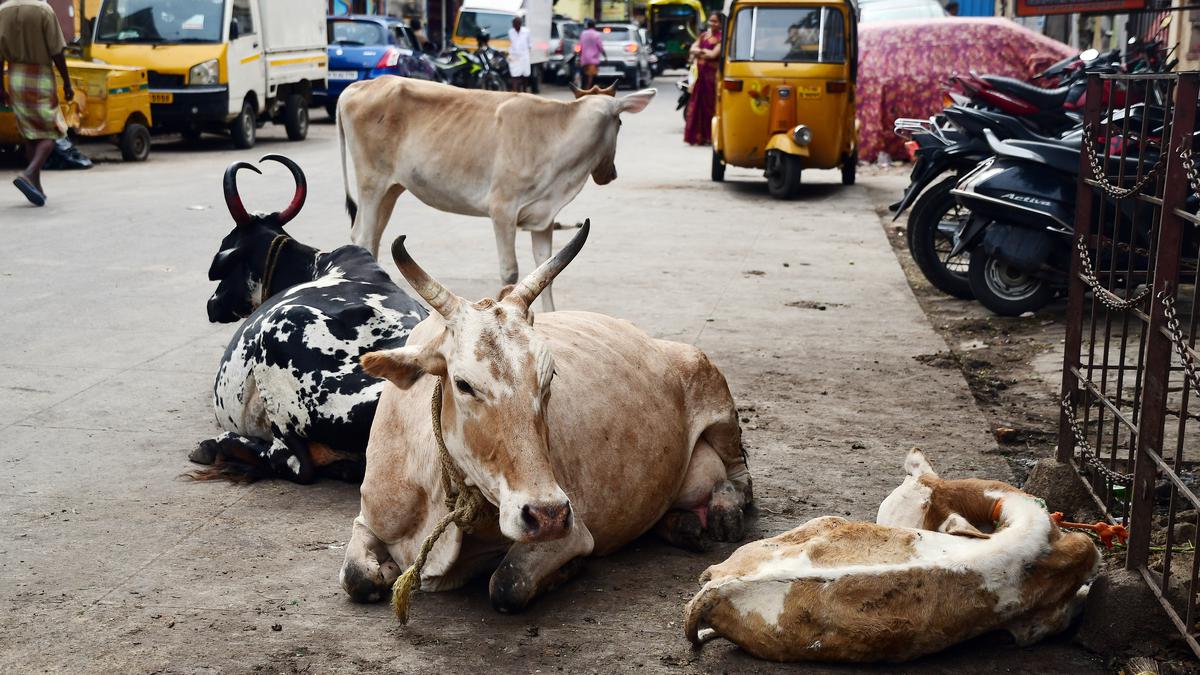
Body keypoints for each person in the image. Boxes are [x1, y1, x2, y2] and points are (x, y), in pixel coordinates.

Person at [0, 0, 73, 206]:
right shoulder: (43, 9)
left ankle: (36, 186)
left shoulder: (2, 10)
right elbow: (57, 50)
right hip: (39, 76)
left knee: (31, 133)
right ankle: (29, 174)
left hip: (15, 77)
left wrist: (0, 87)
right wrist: (67, 82)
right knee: (51, 130)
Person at [684, 12, 721, 146]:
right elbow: (692, 48)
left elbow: (713, 54)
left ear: (721, 23)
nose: (712, 24)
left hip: (711, 78)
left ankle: (710, 137)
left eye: (715, 21)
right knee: (696, 105)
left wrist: (699, 51)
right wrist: (701, 51)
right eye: (711, 21)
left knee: (709, 106)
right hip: (699, 76)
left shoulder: (722, 38)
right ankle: (696, 137)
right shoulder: (704, 36)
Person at [577, 18, 605, 90]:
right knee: (591, 76)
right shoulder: (596, 34)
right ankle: (589, 91)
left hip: (584, 59)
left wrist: (579, 56)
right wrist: (605, 56)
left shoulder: (583, 33)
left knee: (585, 76)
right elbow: (600, 47)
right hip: (593, 59)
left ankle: (584, 90)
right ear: (594, 26)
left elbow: (580, 45)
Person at [507, 16, 531, 93]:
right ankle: (515, 92)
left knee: (525, 75)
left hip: (524, 56)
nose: (514, 26)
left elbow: (530, 44)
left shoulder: (526, 31)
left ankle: (524, 91)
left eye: (515, 24)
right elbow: (510, 44)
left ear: (519, 24)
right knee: (514, 75)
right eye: (513, 24)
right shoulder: (511, 32)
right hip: (514, 57)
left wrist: (527, 55)